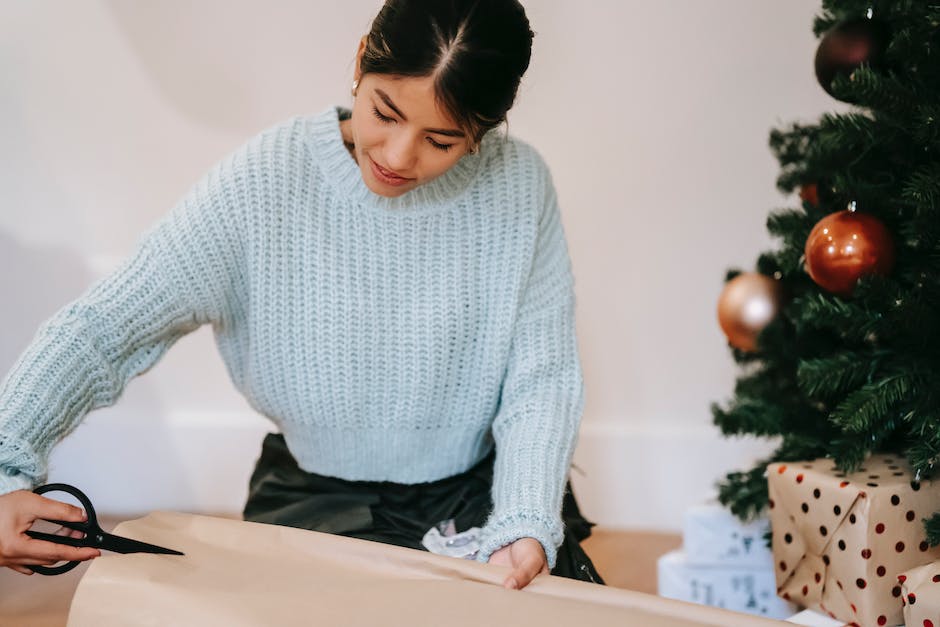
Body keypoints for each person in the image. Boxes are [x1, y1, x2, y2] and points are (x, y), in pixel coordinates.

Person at [0, 0, 602, 590]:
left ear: (483, 132)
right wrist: (5, 469)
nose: (397, 156)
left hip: (480, 489)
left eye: (440, 141)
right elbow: (105, 328)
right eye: (385, 112)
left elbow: (541, 376)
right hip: (316, 495)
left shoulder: (519, 184)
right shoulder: (266, 181)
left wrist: (524, 519)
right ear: (362, 61)